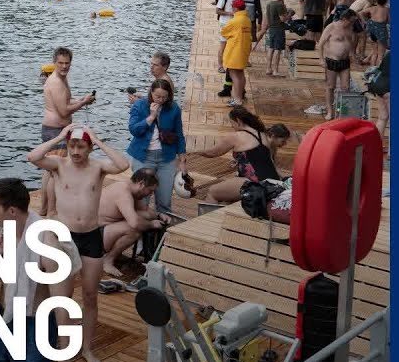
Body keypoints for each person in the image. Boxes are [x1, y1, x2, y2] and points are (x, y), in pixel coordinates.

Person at [27, 125, 129, 362]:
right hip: (64, 237)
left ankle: (87, 348)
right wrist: (61, 137)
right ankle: (64, 350)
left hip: (91, 236)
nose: (75, 151)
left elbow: (123, 164)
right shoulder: (59, 166)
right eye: (72, 146)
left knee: (90, 295)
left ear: (89, 148)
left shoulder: (98, 168)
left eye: (80, 146)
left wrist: (98, 139)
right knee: (63, 297)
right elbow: (33, 157)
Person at [0, 178, 76, 362]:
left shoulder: (47, 242)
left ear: (11, 210)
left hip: (36, 327)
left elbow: (62, 303)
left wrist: (64, 359)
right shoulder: (1, 230)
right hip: (3, 316)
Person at [39, 47, 96, 216]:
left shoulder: (62, 78)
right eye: (60, 63)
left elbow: (65, 100)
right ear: (54, 62)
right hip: (55, 130)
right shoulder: (56, 82)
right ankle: (51, 210)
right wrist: (84, 102)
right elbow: (63, 111)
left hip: (54, 129)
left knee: (49, 170)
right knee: (56, 171)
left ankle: (43, 207)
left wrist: (80, 99)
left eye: (67, 63)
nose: (64, 66)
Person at [190, 110, 291, 203]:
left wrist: (195, 152)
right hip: (272, 182)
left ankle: (210, 221)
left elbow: (213, 153)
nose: (232, 127)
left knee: (212, 192)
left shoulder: (236, 136)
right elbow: (261, 159)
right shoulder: (261, 134)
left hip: (256, 184)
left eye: (232, 123)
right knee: (227, 192)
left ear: (238, 121)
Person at [126, 80, 187, 216]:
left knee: (165, 199)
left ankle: (162, 226)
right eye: (157, 96)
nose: (160, 100)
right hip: (143, 156)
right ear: (151, 93)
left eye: (164, 97)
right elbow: (134, 130)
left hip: (166, 157)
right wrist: (151, 117)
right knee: (141, 199)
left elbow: (179, 134)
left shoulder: (174, 108)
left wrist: (182, 161)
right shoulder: (139, 105)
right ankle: (141, 230)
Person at [99, 169, 167, 278]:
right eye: (150, 191)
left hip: (105, 231)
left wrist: (159, 215)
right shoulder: (123, 192)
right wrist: (151, 224)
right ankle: (107, 260)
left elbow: (145, 210)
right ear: (141, 184)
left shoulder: (133, 190)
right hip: (92, 237)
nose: (150, 194)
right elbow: (135, 223)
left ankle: (114, 255)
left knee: (141, 217)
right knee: (134, 229)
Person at [319, 10, 358, 119]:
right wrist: (321, 59)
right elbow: (320, 44)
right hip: (332, 60)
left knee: (346, 87)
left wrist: (352, 55)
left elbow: (350, 43)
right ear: (344, 19)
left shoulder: (350, 28)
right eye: (351, 21)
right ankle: (330, 111)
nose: (352, 24)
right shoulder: (331, 27)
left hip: (345, 61)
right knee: (330, 86)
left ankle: (341, 110)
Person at [221, 0, 254, 107]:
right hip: (243, 50)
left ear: (235, 8)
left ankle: (237, 99)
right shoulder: (247, 19)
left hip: (235, 51)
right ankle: (240, 96)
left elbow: (224, 32)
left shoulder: (235, 21)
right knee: (240, 74)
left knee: (234, 75)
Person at [262, 0, 289, 77]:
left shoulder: (269, 4)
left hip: (272, 28)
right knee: (278, 49)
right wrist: (288, 14)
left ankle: (268, 68)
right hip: (279, 29)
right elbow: (282, 19)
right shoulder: (279, 5)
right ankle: (275, 70)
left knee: (271, 48)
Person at [216, 0, 243, 72]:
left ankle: (230, 64)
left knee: (233, 45)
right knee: (223, 45)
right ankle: (220, 65)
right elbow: (218, 11)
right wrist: (229, 13)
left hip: (235, 24)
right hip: (225, 24)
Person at [364, 0, 390, 67]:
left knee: (375, 53)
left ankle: (371, 71)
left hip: (371, 31)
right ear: (386, 1)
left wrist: (365, 21)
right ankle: (376, 73)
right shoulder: (386, 9)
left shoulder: (372, 8)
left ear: (377, 0)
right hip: (381, 32)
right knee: (381, 55)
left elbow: (360, 13)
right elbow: (389, 21)